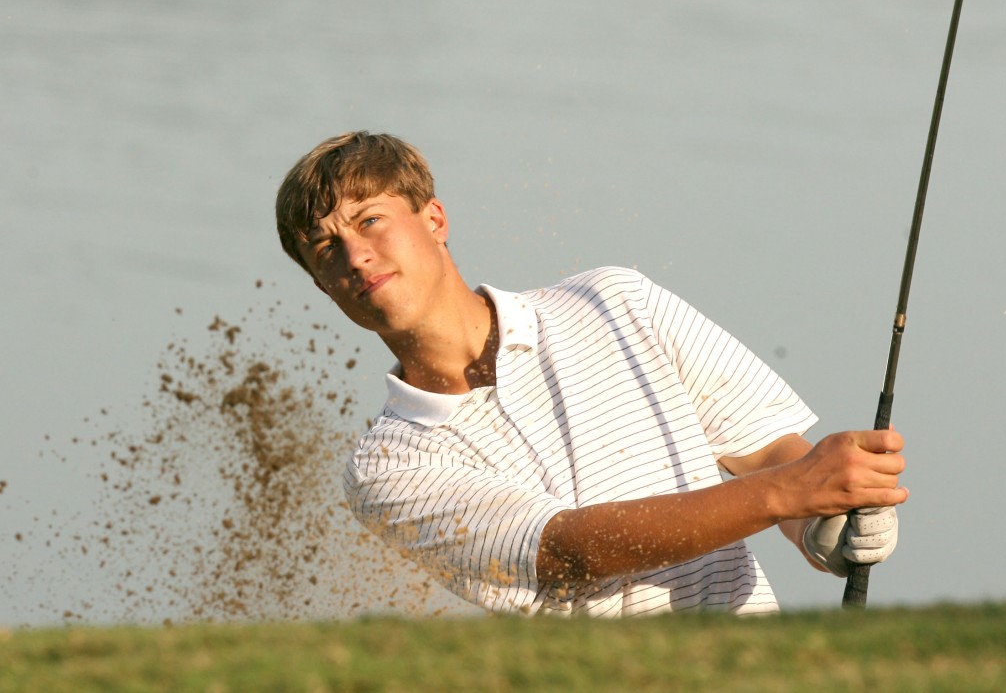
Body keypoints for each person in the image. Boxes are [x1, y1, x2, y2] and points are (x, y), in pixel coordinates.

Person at [275, 131, 905, 617]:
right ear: (321, 283)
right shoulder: (385, 469)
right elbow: (566, 550)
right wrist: (786, 494)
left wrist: (824, 524)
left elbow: (769, 453)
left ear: (434, 220)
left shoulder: (613, 301)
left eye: (370, 221)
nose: (355, 255)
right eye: (325, 248)